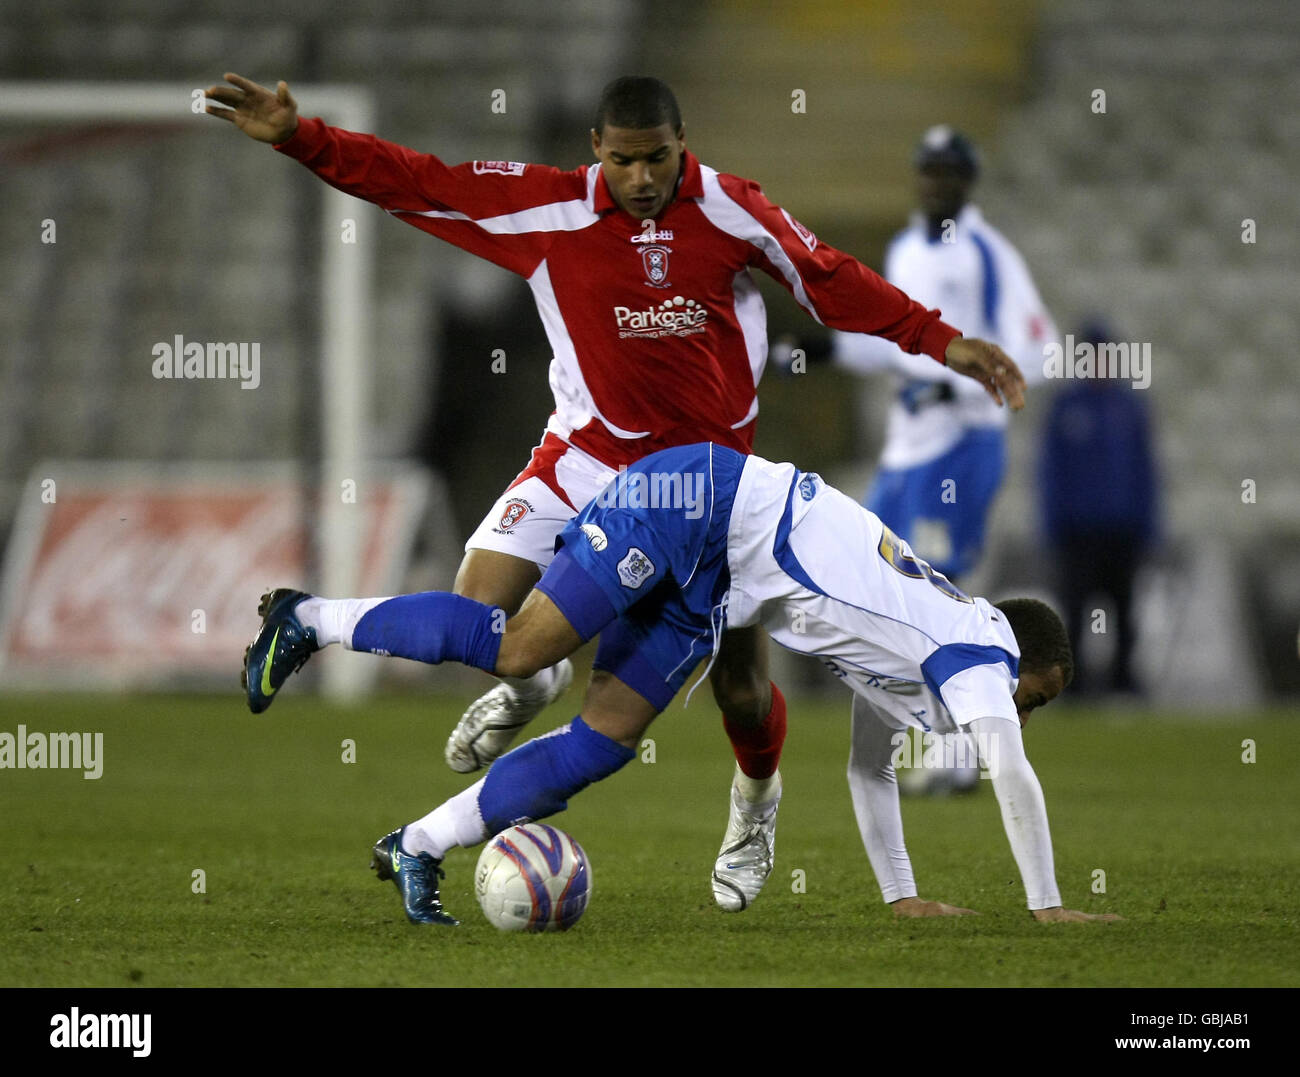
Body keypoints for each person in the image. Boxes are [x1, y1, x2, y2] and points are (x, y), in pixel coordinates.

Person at [207, 73, 1026, 910]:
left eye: (658, 160)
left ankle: (755, 803)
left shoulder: (732, 209)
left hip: (707, 488)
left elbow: (829, 276)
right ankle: (524, 682)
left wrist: (939, 339)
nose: (642, 179)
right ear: (596, 151)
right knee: (486, 610)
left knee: (741, 692)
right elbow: (419, 181)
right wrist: (300, 137)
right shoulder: (547, 212)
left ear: (684, 144)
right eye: (625, 161)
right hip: (585, 461)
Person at [243, 442, 1119, 926]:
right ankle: (308, 617)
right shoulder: (977, 651)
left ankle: (418, 845)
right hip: (703, 497)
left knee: (604, 741)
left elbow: (868, 769)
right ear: (1020, 661)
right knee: (516, 648)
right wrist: (1048, 907)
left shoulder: (919, 663)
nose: (1020, 716)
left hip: (721, 572)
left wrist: (903, 895)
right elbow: (1009, 768)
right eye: (1032, 699)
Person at [826, 125, 1058, 795]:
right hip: (905, 451)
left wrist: (951, 383)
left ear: (969, 180)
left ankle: (960, 751)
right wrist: (817, 351)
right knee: (880, 590)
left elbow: (1037, 351)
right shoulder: (905, 251)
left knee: (940, 595)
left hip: (960, 445)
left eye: (950, 173)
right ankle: (923, 735)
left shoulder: (987, 254)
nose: (937, 183)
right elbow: (896, 342)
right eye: (928, 171)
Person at [1038, 320, 1159, 696]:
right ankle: (1074, 685)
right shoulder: (1066, 408)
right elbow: (1050, 471)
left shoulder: (1130, 407)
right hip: (1078, 532)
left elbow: (1146, 471)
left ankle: (1123, 679)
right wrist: (1051, 524)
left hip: (1123, 530)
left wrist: (1150, 525)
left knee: (1125, 611)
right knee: (1075, 611)